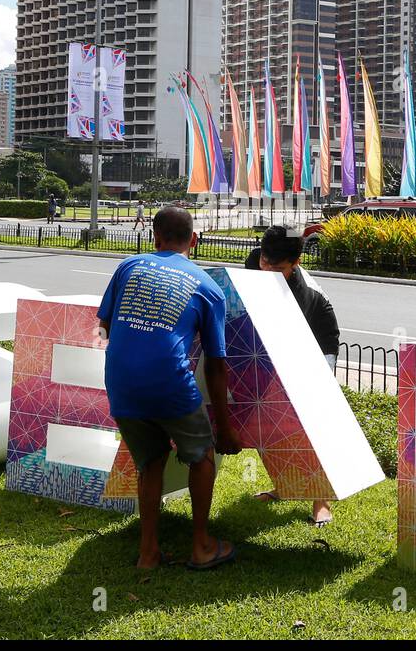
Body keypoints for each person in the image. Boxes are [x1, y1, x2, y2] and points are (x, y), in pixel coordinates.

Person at [98, 205, 242, 570]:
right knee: (202, 455)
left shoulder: (128, 267)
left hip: (120, 384)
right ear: (194, 240)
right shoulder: (209, 288)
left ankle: (148, 553)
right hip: (170, 384)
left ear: (155, 237)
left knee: (150, 462)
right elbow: (216, 363)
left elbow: (107, 326)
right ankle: (201, 546)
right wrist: (223, 428)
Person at [245, 225, 341, 527]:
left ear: (296, 264)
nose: (267, 271)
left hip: (315, 339)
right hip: (271, 342)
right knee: (272, 419)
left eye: (278, 269)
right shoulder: (255, 261)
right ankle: (285, 486)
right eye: (265, 263)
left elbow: (300, 340)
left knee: (313, 420)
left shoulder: (307, 297)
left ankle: (320, 500)